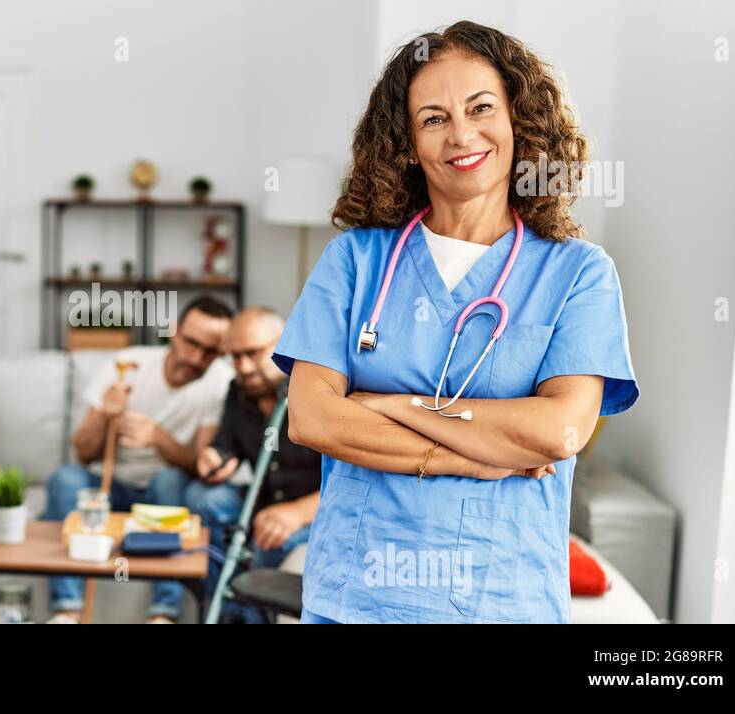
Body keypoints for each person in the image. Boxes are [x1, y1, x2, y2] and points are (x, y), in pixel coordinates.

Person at [276, 21, 639, 624]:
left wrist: (391, 405)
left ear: (519, 119)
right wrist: (475, 456)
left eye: (481, 108)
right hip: (357, 598)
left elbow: (558, 433)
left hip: (503, 602)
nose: (461, 134)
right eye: (434, 118)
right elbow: (312, 417)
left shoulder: (578, 274)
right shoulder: (357, 259)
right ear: (407, 142)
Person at [40, 295, 234, 624]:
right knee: (66, 479)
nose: (196, 358)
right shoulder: (126, 364)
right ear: (173, 332)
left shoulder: (219, 381)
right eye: (191, 343)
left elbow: (198, 465)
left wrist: (160, 439)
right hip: (110, 487)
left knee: (170, 480)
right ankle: (67, 609)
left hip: (162, 495)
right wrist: (104, 414)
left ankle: (163, 614)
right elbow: (83, 453)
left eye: (210, 351)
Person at [186, 306, 321, 623]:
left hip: (312, 509)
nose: (243, 367)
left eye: (253, 353)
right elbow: (224, 446)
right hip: (261, 502)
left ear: (285, 341)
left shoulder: (317, 391)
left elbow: (351, 478)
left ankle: (247, 615)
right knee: (200, 498)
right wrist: (214, 459)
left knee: (270, 538)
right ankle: (224, 606)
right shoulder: (238, 391)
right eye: (234, 356)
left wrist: (296, 513)